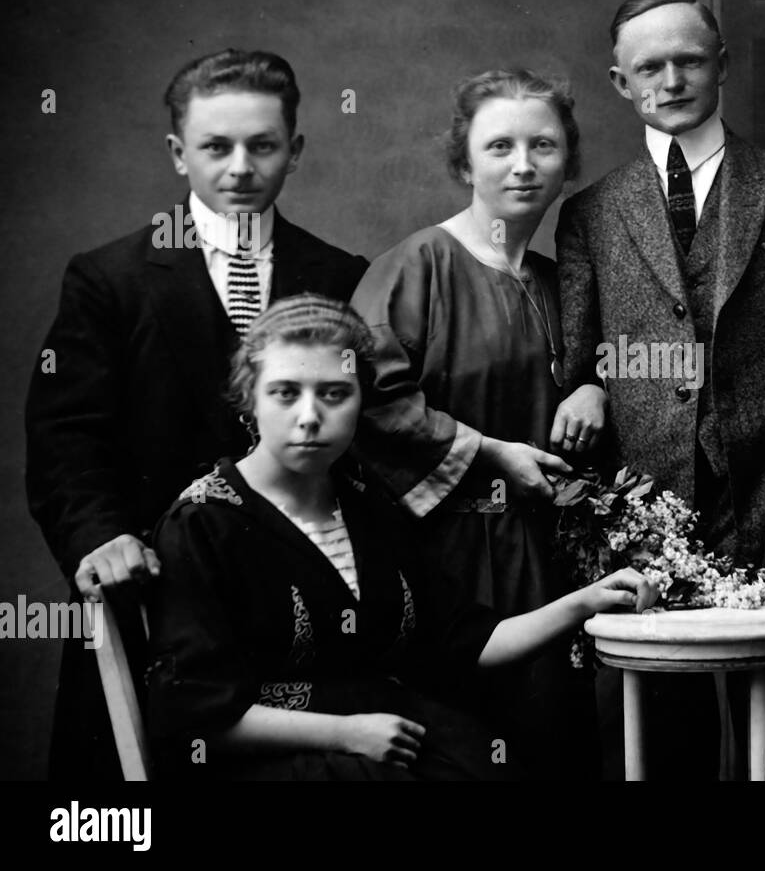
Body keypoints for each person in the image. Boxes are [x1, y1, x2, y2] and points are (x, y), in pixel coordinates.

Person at [25, 48, 369, 779]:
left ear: (296, 151)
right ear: (179, 154)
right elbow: (66, 436)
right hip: (155, 591)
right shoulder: (111, 279)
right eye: (216, 147)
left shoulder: (342, 276)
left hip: (296, 608)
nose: (240, 167)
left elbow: (363, 437)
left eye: (263, 145)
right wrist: (101, 538)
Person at [556, 0, 765, 778]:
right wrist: (591, 382)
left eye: (689, 60)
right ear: (620, 82)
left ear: (722, 64)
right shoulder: (590, 213)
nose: (671, 79)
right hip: (651, 519)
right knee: (665, 743)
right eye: (648, 67)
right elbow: (577, 357)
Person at [147, 295, 658, 780]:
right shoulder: (203, 522)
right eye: (285, 393)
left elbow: (461, 642)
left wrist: (585, 602)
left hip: (386, 739)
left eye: (334, 393)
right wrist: (345, 733)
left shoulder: (366, 501)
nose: (309, 417)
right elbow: (194, 714)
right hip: (270, 764)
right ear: (248, 402)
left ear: (360, 401)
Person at [349, 69, 603, 778]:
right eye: (500, 147)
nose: (523, 165)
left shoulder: (561, 281)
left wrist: (594, 386)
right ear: (464, 162)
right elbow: (366, 401)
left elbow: (593, 374)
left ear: (567, 161)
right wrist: (489, 451)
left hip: (549, 556)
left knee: (556, 744)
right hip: (444, 556)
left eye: (543, 146)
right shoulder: (415, 266)